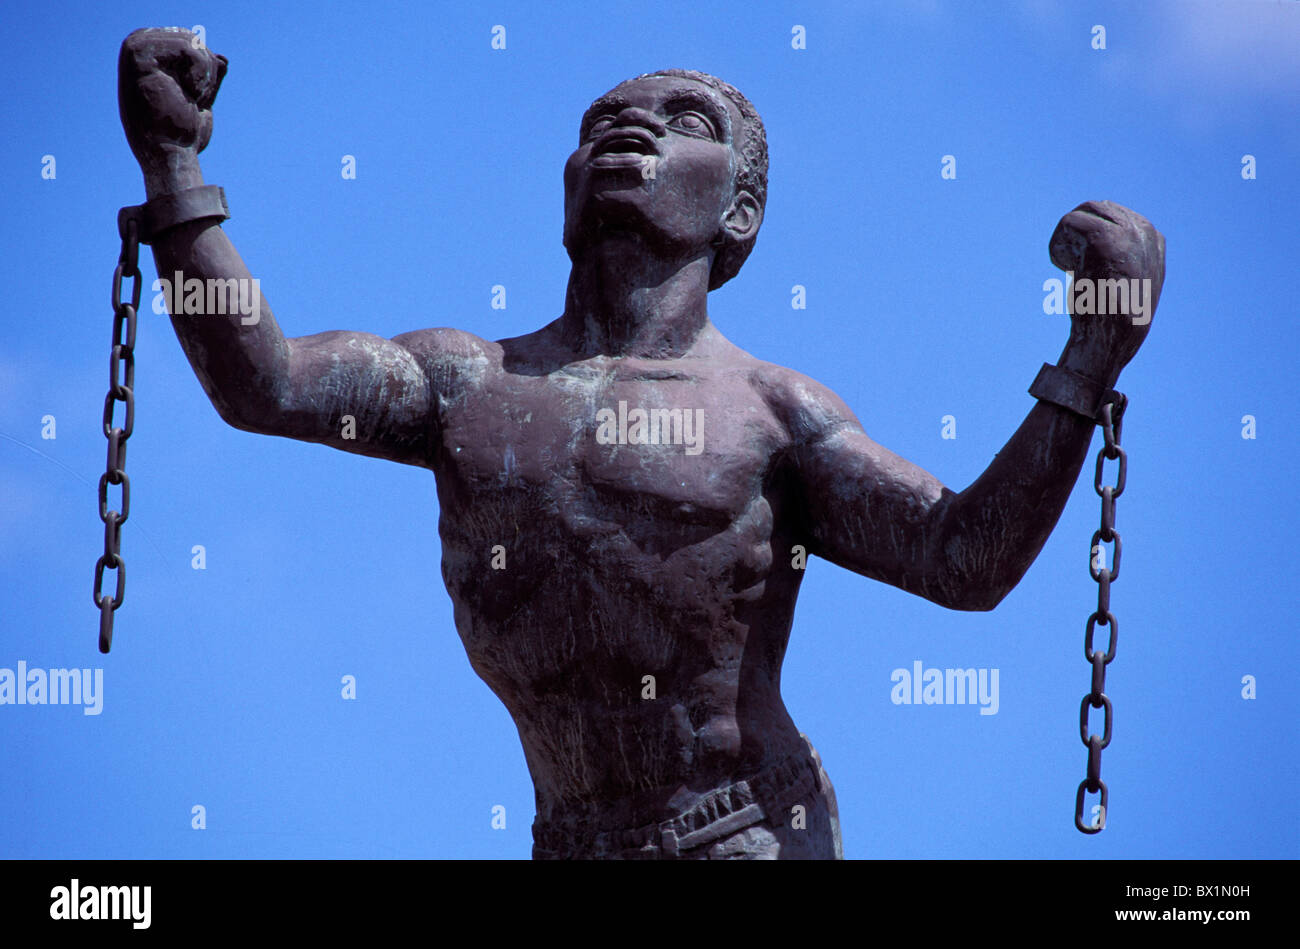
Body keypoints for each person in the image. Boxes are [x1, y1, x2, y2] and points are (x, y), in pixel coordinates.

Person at [117, 28, 1165, 859]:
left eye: (681, 120)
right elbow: (268, 384)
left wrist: (1086, 360)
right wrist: (174, 171)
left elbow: (960, 559)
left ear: (739, 209)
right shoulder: (463, 380)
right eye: (603, 122)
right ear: (566, 189)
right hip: (566, 843)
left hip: (746, 832)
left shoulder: (772, 411)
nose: (628, 130)